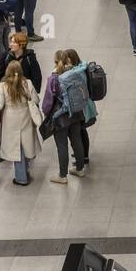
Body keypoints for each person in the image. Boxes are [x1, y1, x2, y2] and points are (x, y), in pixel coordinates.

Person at [0, 60, 43, 186]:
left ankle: (21, 178)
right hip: (26, 116)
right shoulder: (28, 83)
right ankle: (25, 170)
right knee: (26, 143)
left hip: (10, 119)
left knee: (17, 148)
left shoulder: (4, 86)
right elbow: (36, 99)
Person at [41, 51, 87, 184]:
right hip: (76, 112)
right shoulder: (75, 73)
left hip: (61, 117)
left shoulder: (53, 79)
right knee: (77, 141)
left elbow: (48, 102)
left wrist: (47, 114)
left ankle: (62, 176)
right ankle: (80, 168)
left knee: (62, 145)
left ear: (55, 61)